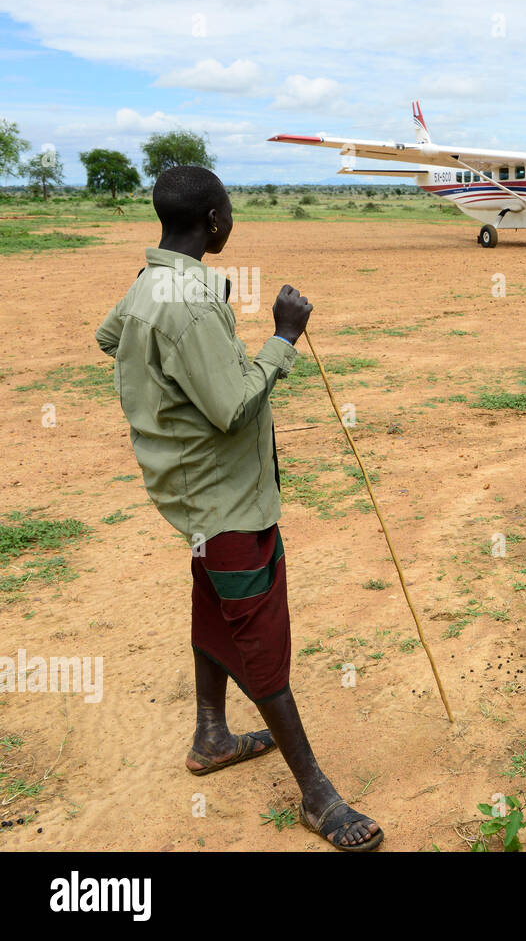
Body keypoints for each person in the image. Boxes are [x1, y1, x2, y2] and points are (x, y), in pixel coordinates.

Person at [95, 165, 383, 850]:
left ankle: (212, 735)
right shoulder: (188, 301)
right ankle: (318, 796)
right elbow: (230, 407)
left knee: (212, 608)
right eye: (229, 211)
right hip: (225, 501)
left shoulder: (152, 282)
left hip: (190, 496)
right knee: (260, 639)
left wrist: (167, 385)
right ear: (216, 220)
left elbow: (112, 339)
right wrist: (283, 336)